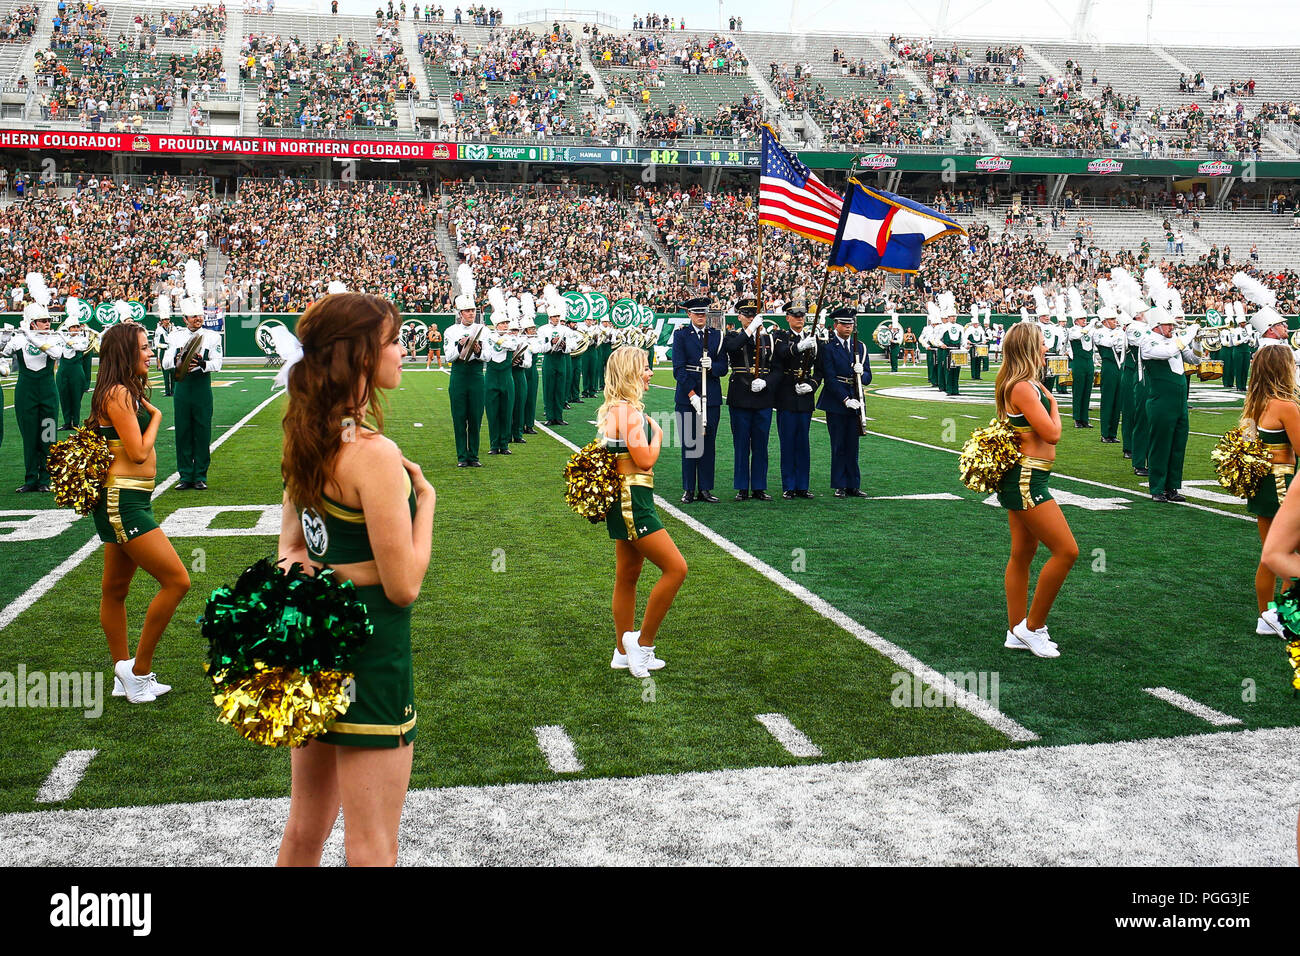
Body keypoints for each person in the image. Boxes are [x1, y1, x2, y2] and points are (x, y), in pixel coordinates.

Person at [277, 293, 435, 867]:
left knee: (303, 831)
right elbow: (404, 585)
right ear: (361, 358)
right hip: (371, 657)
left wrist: (332, 572)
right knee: (371, 845)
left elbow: (291, 555)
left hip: (316, 649)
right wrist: (429, 503)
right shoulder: (372, 452)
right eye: (392, 342)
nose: (401, 350)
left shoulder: (306, 433)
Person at [87, 321, 189, 703]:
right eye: (144, 348)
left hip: (132, 498)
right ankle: (138, 671)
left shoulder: (121, 391)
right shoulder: (117, 393)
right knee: (178, 581)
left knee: (114, 590)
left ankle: (120, 674)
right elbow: (138, 452)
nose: (150, 353)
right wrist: (158, 419)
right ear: (124, 353)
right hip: (122, 501)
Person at [599, 346, 685, 678]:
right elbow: (646, 459)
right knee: (676, 568)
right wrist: (660, 436)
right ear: (630, 373)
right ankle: (642, 645)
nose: (650, 373)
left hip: (629, 497)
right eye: (645, 368)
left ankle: (622, 652)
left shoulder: (620, 409)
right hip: (631, 501)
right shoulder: (627, 413)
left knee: (628, 576)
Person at [994, 322, 1077, 658]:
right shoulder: (1025, 389)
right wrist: (1055, 405)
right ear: (1028, 348)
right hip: (1027, 480)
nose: (1046, 349)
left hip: (1027, 476)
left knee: (1022, 554)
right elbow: (1052, 433)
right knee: (1067, 551)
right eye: (1042, 344)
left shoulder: (1023, 384)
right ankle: (1032, 627)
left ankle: (1016, 630)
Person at [1240, 345, 1300, 638]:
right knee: (1287, 555)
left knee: (1269, 554)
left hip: (1261, 485)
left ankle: (1267, 617)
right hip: (1282, 485)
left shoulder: (1254, 403)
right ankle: (1284, 617)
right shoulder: (1286, 406)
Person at [3, 277, 70, 492]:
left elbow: (56, 353)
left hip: (48, 393)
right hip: (26, 392)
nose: (48, 324)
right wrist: (8, 338)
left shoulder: (53, 339)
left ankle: (46, 479)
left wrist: (33, 337)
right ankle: (31, 478)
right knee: (30, 435)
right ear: (32, 322)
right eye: (43, 321)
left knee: (48, 435)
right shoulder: (19, 339)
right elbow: (4, 354)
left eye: (48, 321)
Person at [163, 283, 223, 490]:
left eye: (200, 315)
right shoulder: (175, 336)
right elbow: (165, 363)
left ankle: (200, 476)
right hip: (182, 388)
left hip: (201, 389)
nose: (198, 319)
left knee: (202, 431)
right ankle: (185, 475)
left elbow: (218, 363)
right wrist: (180, 360)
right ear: (184, 319)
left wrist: (203, 364)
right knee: (183, 431)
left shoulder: (213, 336)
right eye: (193, 316)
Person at [1140, 308, 1201, 502]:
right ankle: (1157, 488)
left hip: (1179, 402)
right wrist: (1188, 333)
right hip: (1161, 401)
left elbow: (1196, 359)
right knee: (1160, 445)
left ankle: (1172, 486)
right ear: (1157, 325)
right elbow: (1167, 351)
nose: (1172, 328)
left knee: (1177, 445)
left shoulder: (1175, 342)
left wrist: (1197, 339)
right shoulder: (1148, 342)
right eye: (1168, 325)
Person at [722, 298, 780, 501]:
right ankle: (741, 487)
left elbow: (777, 369)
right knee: (741, 444)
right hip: (740, 396)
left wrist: (766, 382)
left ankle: (759, 486)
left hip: (763, 397)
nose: (750, 318)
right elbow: (733, 348)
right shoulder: (732, 335)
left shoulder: (769, 339)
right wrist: (750, 330)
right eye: (747, 315)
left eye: (754, 315)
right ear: (739, 317)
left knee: (761, 444)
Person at [671, 297, 728, 503]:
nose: (701, 317)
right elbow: (678, 369)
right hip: (688, 397)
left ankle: (705, 488)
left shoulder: (717, 336)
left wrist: (712, 365)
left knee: (707, 444)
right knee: (690, 444)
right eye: (696, 313)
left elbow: (724, 368)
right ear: (689, 315)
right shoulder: (681, 336)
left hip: (711, 396)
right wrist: (692, 395)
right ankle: (688, 488)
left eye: (703, 313)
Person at [818, 306, 871, 498]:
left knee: (853, 444)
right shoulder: (828, 347)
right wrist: (845, 399)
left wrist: (861, 372)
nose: (848, 327)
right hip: (836, 400)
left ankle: (853, 484)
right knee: (839, 444)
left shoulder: (861, 347)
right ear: (836, 325)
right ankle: (840, 484)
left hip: (857, 398)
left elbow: (868, 378)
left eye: (850, 324)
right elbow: (830, 378)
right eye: (844, 324)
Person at [773, 301, 821, 499]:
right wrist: (800, 346)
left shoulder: (813, 339)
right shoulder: (781, 336)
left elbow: (820, 369)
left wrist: (813, 384)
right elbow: (782, 354)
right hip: (786, 395)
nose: (800, 318)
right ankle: (789, 485)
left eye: (802, 315)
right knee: (788, 442)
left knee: (803, 443)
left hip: (805, 397)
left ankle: (803, 485)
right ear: (788, 317)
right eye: (795, 315)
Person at [444, 288, 486, 466]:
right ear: (460, 313)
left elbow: (488, 357)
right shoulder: (450, 331)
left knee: (475, 418)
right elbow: (449, 357)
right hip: (459, 377)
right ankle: (462, 456)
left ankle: (474, 456)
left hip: (476, 377)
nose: (471, 314)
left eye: (473, 310)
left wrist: (478, 351)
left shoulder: (484, 330)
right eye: (468, 311)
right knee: (460, 418)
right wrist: (461, 347)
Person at [482, 307, 515, 455]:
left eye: (506, 323)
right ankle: (494, 444)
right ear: (496, 325)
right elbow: (486, 356)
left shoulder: (510, 337)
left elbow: (511, 346)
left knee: (506, 412)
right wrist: (492, 338)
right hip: (491, 377)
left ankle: (505, 444)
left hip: (506, 378)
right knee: (492, 412)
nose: (506, 326)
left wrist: (497, 339)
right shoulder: (487, 337)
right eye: (502, 323)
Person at [1092, 304, 1124, 443]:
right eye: (1111, 319)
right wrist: (1117, 336)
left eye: (1115, 319)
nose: (1115, 321)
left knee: (1118, 401)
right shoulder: (1099, 332)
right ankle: (1105, 433)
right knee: (1108, 400)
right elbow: (1108, 343)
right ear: (1104, 321)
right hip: (1109, 366)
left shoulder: (1118, 331)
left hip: (1119, 367)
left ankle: (1113, 433)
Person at [56, 312, 90, 430]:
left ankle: (75, 422)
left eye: (77, 327)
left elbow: (78, 347)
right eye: (73, 327)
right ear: (68, 328)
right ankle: (66, 422)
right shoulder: (60, 338)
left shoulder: (83, 339)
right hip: (63, 371)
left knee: (76, 398)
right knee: (64, 397)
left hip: (76, 371)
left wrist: (62, 336)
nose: (75, 329)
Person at [1066, 306, 1095, 428]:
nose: (1084, 320)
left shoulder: (1088, 329)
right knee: (1078, 390)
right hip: (1078, 362)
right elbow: (1078, 336)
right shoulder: (1073, 330)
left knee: (1087, 390)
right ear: (1076, 321)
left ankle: (1085, 418)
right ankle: (1077, 418)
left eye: (1085, 318)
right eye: (1082, 319)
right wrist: (1090, 325)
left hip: (1089, 361)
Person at [153, 312, 175, 396]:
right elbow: (156, 342)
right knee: (165, 372)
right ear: (162, 321)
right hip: (164, 351)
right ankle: (167, 391)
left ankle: (173, 391)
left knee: (173, 372)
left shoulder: (173, 328)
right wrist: (165, 346)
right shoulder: (159, 330)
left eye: (168, 319)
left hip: (172, 351)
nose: (167, 321)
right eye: (165, 319)